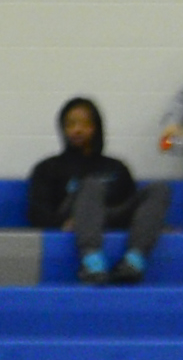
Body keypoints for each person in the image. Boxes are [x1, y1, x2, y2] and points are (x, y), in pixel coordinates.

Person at [28, 95, 164, 285]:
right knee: (93, 184)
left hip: (109, 217)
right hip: (74, 219)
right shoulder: (48, 167)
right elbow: (37, 212)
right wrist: (62, 222)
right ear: (63, 128)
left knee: (159, 189)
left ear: (96, 127)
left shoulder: (116, 167)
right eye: (71, 124)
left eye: (85, 123)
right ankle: (92, 262)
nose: (77, 129)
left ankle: (133, 261)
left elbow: (132, 208)